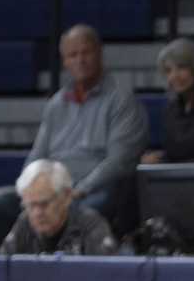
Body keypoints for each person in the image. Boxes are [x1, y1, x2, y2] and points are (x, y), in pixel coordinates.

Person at [26, 25, 149, 226]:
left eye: (86, 53)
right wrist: (28, 188)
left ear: (100, 53)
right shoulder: (56, 103)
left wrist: (80, 190)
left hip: (97, 189)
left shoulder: (121, 98)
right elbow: (36, 157)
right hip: (52, 191)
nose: (80, 61)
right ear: (64, 61)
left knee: (75, 212)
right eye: (72, 55)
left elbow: (119, 161)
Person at [0, 160, 118, 256]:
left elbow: (107, 277)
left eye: (43, 204)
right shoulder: (24, 223)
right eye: (29, 205)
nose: (36, 213)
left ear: (66, 196)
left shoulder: (91, 225)